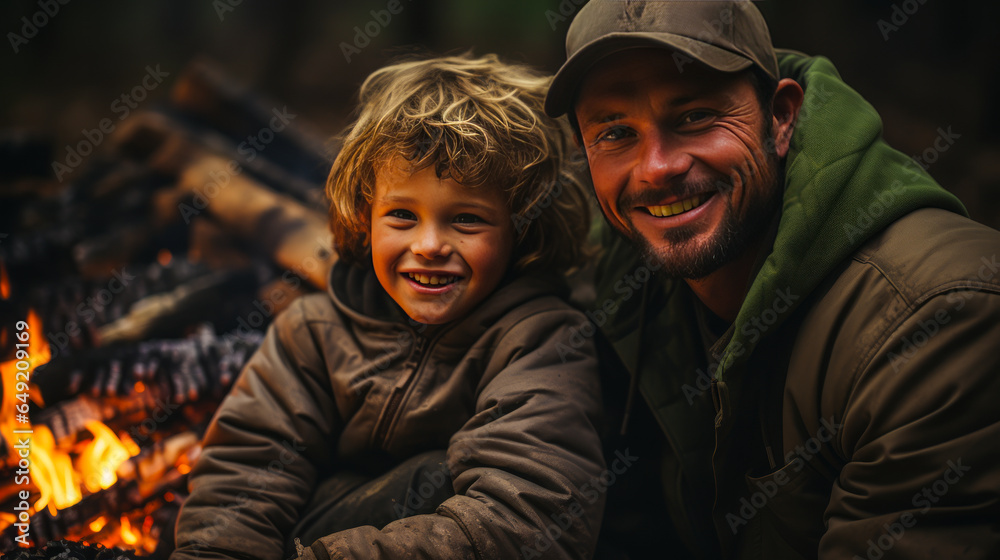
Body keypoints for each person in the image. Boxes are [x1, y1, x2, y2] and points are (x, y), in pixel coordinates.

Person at [543, 1, 1000, 559]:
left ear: (781, 117)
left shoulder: (939, 319)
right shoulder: (613, 281)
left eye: (694, 117)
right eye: (615, 132)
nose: (657, 167)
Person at [171, 53, 607, 560]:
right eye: (402, 214)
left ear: (521, 229)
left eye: (466, 220)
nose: (428, 245)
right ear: (364, 216)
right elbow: (245, 469)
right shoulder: (314, 332)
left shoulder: (541, 340)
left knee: (436, 476)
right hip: (318, 528)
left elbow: (533, 518)